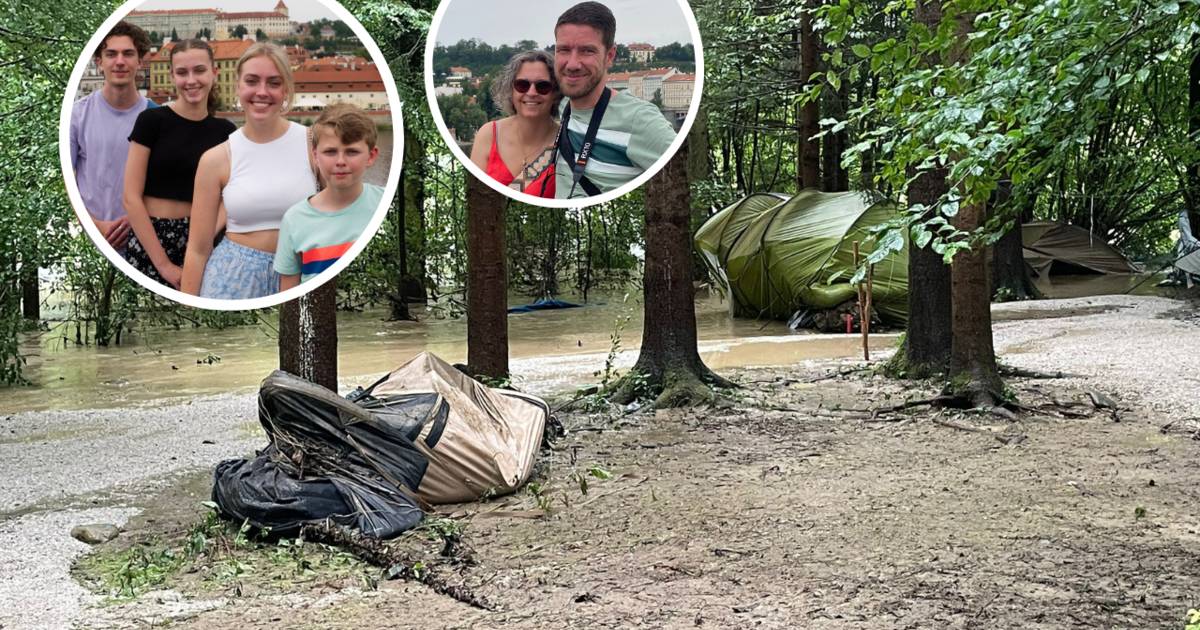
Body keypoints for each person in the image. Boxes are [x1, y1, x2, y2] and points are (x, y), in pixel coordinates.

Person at [182, 42, 316, 299]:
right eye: (252, 81)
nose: (262, 92)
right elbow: (198, 248)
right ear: (238, 86)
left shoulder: (314, 144)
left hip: (302, 274)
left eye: (274, 83)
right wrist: (189, 305)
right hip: (232, 278)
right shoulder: (215, 159)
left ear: (286, 89)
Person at [123, 40, 235, 288]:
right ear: (172, 75)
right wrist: (163, 265)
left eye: (199, 70)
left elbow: (229, 199)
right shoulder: (151, 121)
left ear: (214, 73)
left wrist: (203, 242)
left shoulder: (226, 132)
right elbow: (131, 197)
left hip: (205, 241)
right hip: (151, 239)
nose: (191, 80)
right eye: (182, 73)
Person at [552, 1, 677, 199]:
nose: (573, 64)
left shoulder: (641, 119)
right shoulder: (556, 105)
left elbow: (684, 183)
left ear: (609, 56)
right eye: (564, 50)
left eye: (587, 51)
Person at [274, 104, 383, 291]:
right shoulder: (294, 220)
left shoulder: (385, 203)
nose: (340, 161)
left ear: (371, 156)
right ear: (315, 156)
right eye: (330, 152)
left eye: (352, 152)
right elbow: (289, 295)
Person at [69, 21, 156, 251]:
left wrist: (137, 219)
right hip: (92, 239)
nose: (119, 62)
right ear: (99, 62)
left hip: (144, 240)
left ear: (140, 61)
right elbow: (67, 180)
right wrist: (96, 226)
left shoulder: (156, 116)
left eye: (128, 54)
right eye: (111, 54)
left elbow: (165, 185)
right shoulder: (77, 115)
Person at [468, 50, 559, 198]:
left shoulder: (567, 141)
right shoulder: (489, 135)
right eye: (522, 85)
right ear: (511, 90)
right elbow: (476, 199)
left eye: (542, 86)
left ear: (555, 93)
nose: (531, 92)